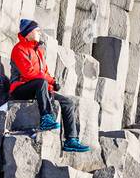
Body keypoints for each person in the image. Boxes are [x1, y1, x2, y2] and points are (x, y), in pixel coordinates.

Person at [9, 19, 91, 154]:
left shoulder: (38, 51)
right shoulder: (19, 49)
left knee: (68, 102)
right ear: (28, 33)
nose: (39, 33)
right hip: (20, 89)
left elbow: (44, 72)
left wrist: (52, 83)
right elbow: (29, 73)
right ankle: (46, 118)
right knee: (41, 82)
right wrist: (50, 81)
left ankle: (71, 140)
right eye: (36, 30)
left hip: (37, 88)